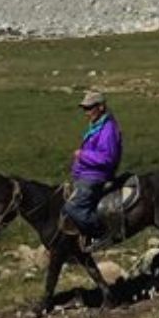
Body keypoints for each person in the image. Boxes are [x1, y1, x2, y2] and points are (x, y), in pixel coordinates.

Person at [65, 90, 122, 245]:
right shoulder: (97, 126)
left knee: (73, 208)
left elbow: (107, 158)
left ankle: (102, 234)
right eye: (85, 109)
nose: (87, 113)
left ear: (101, 107)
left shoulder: (108, 129)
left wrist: (82, 155)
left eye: (89, 108)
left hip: (95, 177)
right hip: (85, 175)